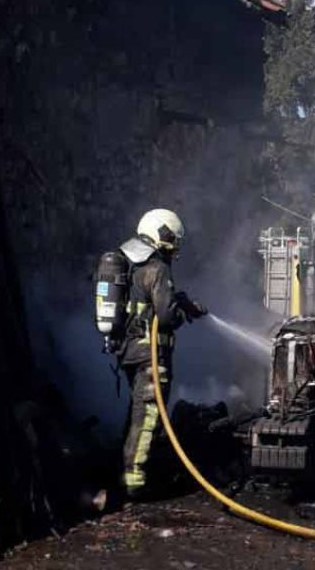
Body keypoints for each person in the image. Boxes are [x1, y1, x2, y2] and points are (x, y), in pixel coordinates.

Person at [112, 208, 207, 499]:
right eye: (171, 238)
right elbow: (165, 317)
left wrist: (181, 303)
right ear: (161, 233)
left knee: (139, 411)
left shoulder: (131, 261)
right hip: (149, 355)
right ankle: (134, 482)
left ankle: (126, 471)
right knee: (149, 415)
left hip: (130, 351)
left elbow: (148, 303)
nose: (174, 245)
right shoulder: (158, 267)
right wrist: (183, 313)